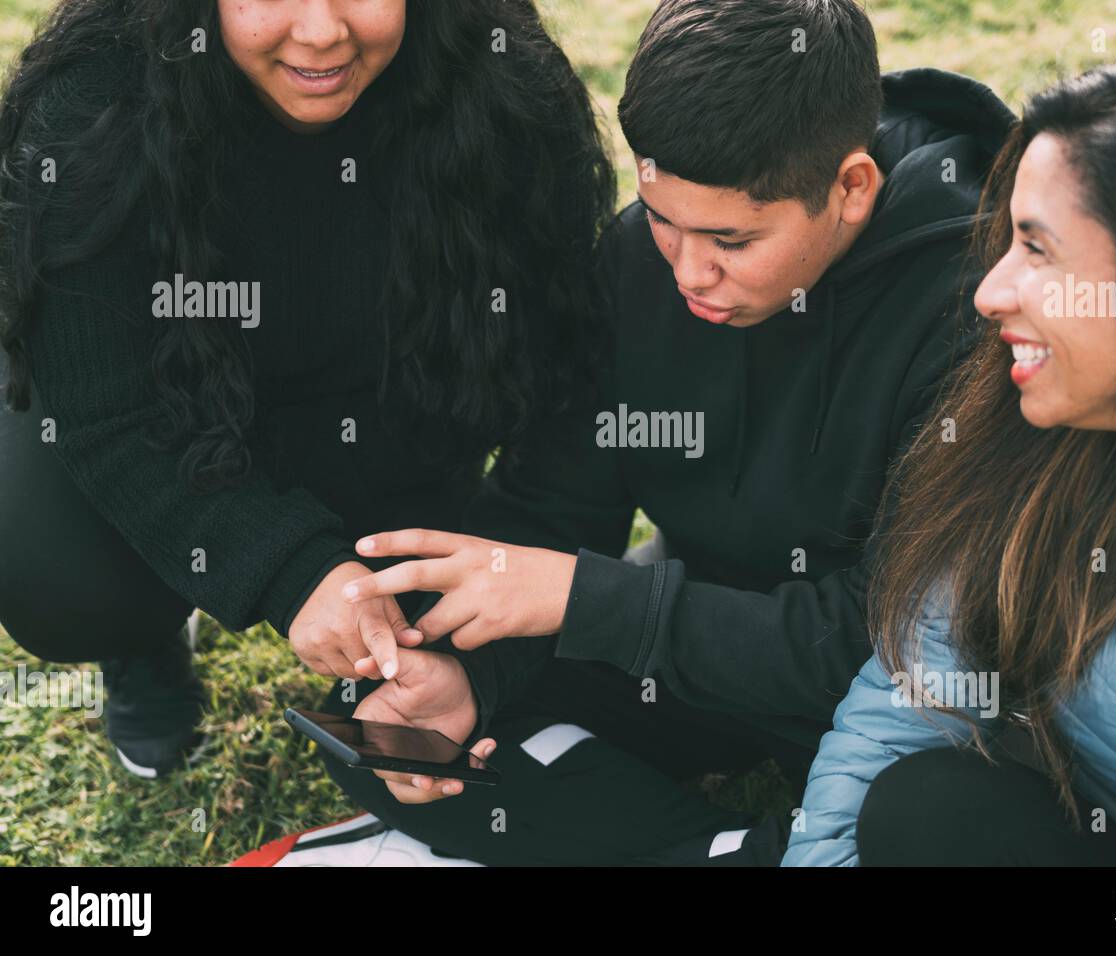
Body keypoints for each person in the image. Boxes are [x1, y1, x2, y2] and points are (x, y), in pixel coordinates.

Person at [312, 0, 1015, 866]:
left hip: (868, 690)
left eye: (730, 239)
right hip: (693, 645)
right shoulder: (639, 256)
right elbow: (553, 505)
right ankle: (724, 853)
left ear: (851, 188)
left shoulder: (978, 307)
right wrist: (465, 675)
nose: (687, 270)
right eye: (663, 219)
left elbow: (890, 645)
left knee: (939, 822)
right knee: (378, 721)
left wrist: (590, 600)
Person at [0, 0, 613, 777]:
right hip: (181, 406)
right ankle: (142, 644)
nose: (322, 30)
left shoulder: (504, 75)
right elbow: (111, 408)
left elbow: (560, 357)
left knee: (430, 616)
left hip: (388, 417)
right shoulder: (95, 99)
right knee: (61, 580)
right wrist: (286, 570)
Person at [784, 55, 1116, 867]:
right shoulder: (1042, 434)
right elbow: (907, 704)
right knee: (925, 811)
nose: (991, 292)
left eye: (1038, 250)